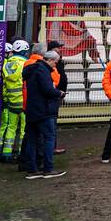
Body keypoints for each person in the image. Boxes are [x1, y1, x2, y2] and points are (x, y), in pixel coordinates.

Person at [21, 50, 65, 179]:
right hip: (44, 110)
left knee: (31, 139)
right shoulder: (43, 70)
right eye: (55, 63)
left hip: (31, 109)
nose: (55, 66)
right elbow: (47, 89)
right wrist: (59, 93)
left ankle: (32, 170)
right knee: (49, 138)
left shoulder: (32, 69)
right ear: (50, 60)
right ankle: (48, 168)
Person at [0, 39, 29, 163]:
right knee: (24, 129)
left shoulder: (7, 64)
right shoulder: (26, 64)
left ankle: (6, 153)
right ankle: (21, 153)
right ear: (24, 51)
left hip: (11, 101)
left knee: (10, 127)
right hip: (23, 101)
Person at [46, 40, 69, 155]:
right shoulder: (52, 62)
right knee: (52, 123)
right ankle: (51, 147)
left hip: (58, 93)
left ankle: (51, 146)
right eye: (58, 47)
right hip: (55, 94)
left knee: (52, 122)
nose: (60, 49)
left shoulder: (57, 60)